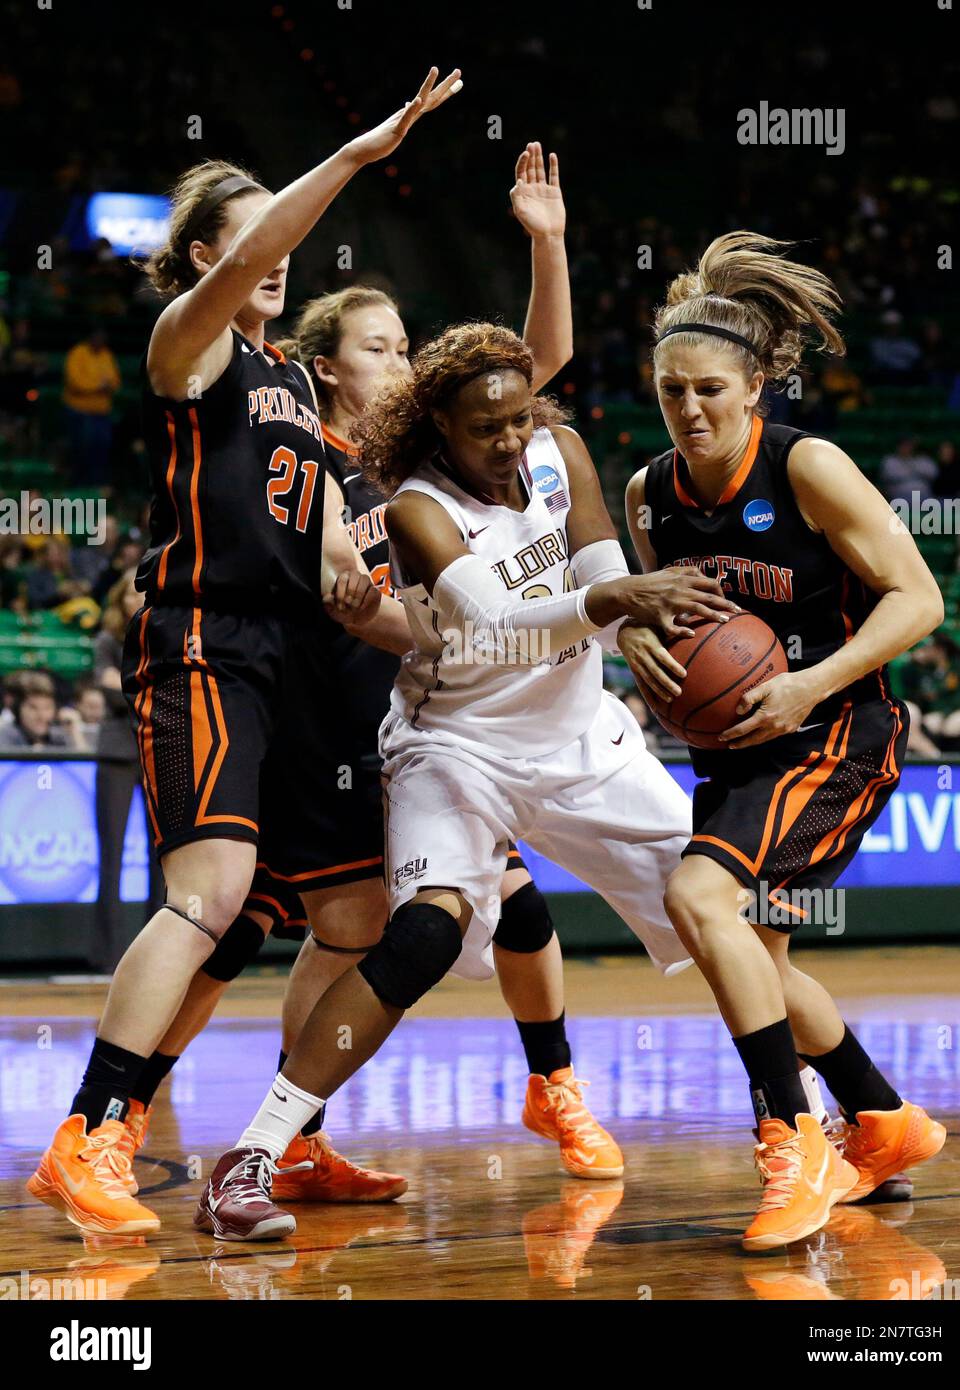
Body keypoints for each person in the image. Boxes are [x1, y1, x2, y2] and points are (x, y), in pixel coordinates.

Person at [123, 147, 626, 1194]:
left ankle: (548, 1087)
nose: (404, 364)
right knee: (234, 932)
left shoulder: (414, 463)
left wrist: (545, 242)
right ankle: (126, 1118)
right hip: (294, 710)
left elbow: (534, 366)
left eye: (406, 347)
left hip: (401, 716)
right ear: (327, 362)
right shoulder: (288, 415)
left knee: (495, 908)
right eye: (383, 348)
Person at [27, 65, 463, 1239]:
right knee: (209, 895)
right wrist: (356, 159)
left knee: (358, 919)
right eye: (250, 233)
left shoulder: (289, 383)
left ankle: (295, 1140)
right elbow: (236, 271)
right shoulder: (192, 347)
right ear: (207, 255)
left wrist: (454, 629)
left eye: (280, 233)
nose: (276, 253)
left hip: (290, 666)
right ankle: (91, 1134)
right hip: (204, 641)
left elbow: (342, 568)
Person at [196, 320, 739, 1241]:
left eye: (518, 418)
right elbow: (494, 628)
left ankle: (818, 1114)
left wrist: (637, 629)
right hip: (456, 743)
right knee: (422, 934)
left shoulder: (560, 450)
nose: (508, 438)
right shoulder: (413, 502)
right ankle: (255, 1151)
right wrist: (612, 604)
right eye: (485, 426)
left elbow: (602, 578)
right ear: (439, 427)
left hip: (579, 741)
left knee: (731, 909)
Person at [622, 232, 946, 1251]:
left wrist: (808, 678)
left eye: (710, 388)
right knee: (751, 956)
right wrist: (634, 628)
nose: (690, 409)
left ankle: (791, 1136)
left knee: (695, 898)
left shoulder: (805, 463)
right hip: (735, 751)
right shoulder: (648, 496)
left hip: (836, 727)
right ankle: (884, 1122)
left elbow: (920, 599)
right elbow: (657, 613)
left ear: (755, 381)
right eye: (671, 390)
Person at [91, 568, 165, 973]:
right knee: (111, 855)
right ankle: (105, 957)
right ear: (118, 601)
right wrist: (145, 687)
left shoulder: (164, 637)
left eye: (143, 594)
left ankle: (156, 956)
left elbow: (124, 688)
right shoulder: (107, 641)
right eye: (129, 595)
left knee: (162, 857)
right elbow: (112, 690)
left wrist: (128, 687)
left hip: (155, 749)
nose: (136, 601)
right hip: (118, 755)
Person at [62, 325, 121, 485]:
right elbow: (76, 382)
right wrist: (98, 386)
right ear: (91, 337)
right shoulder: (78, 353)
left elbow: (115, 381)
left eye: (103, 337)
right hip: (80, 411)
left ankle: (97, 484)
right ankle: (78, 483)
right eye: (97, 336)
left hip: (101, 413)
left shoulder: (106, 355)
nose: (100, 340)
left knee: (102, 448)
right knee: (82, 448)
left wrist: (105, 385)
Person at [0, 670, 72, 749]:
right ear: (17, 709)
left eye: (47, 708)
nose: (41, 715)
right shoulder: (4, 737)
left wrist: (75, 734)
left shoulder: (60, 737)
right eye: (33, 708)